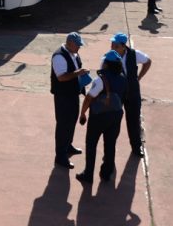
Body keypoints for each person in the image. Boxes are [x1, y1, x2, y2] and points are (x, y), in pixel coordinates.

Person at [76, 52, 127, 184]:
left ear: (106, 65)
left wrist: (82, 113)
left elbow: (89, 98)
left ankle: (88, 174)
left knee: (91, 144)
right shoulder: (123, 78)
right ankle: (106, 173)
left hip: (98, 117)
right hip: (116, 115)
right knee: (110, 144)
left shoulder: (100, 80)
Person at [110, 33, 152, 157]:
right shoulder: (109, 57)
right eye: (112, 44)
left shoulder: (134, 54)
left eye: (116, 46)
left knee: (133, 120)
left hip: (132, 92)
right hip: (117, 92)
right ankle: (110, 149)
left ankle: (136, 147)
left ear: (124, 46)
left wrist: (139, 77)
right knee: (113, 121)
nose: (113, 48)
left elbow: (148, 61)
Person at [50, 32, 88, 169]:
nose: (79, 47)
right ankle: (60, 156)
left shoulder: (74, 53)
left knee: (72, 121)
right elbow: (61, 77)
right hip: (63, 96)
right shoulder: (59, 56)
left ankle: (68, 145)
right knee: (63, 125)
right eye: (77, 45)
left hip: (73, 94)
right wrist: (78, 73)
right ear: (70, 43)